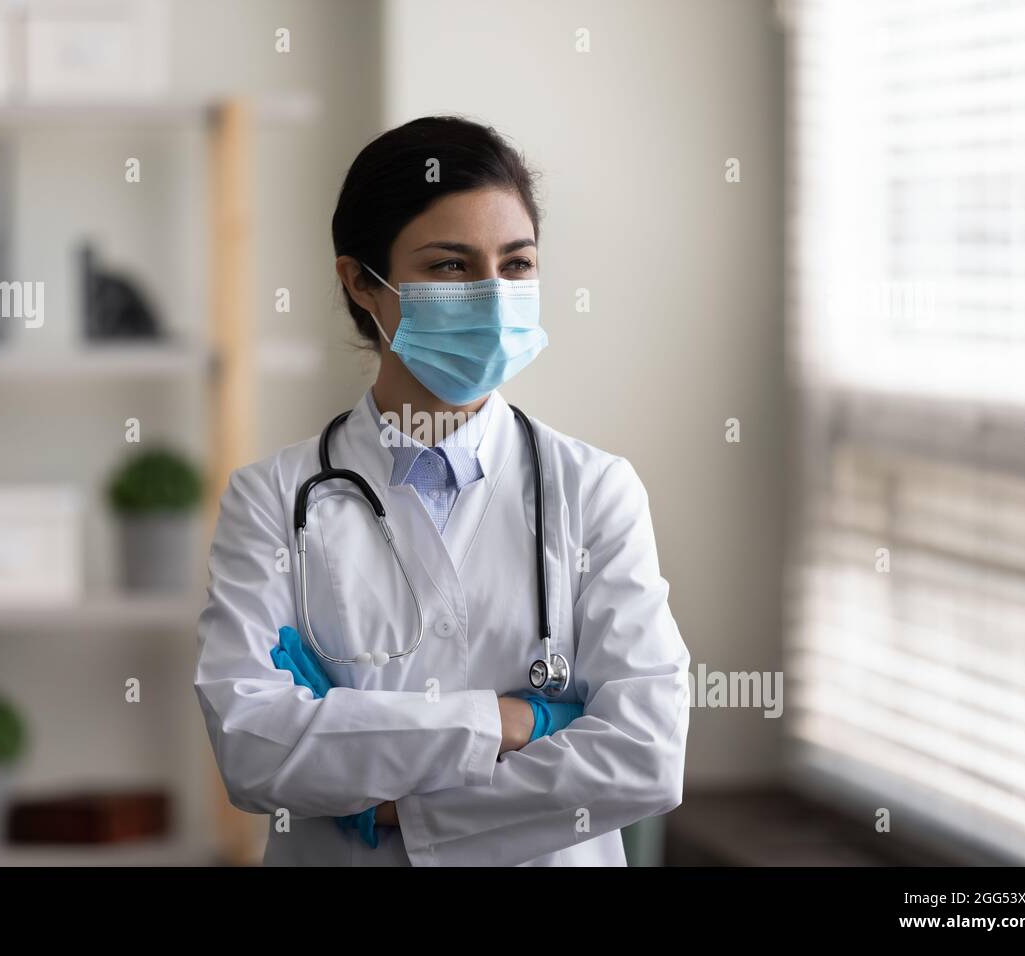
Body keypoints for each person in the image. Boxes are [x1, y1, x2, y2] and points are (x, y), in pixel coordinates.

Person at [194, 116, 689, 866]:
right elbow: (253, 748)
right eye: (451, 267)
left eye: (516, 264)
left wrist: (400, 807)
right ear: (361, 281)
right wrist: (516, 721)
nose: (492, 296)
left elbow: (644, 756)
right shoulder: (272, 499)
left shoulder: (595, 492)